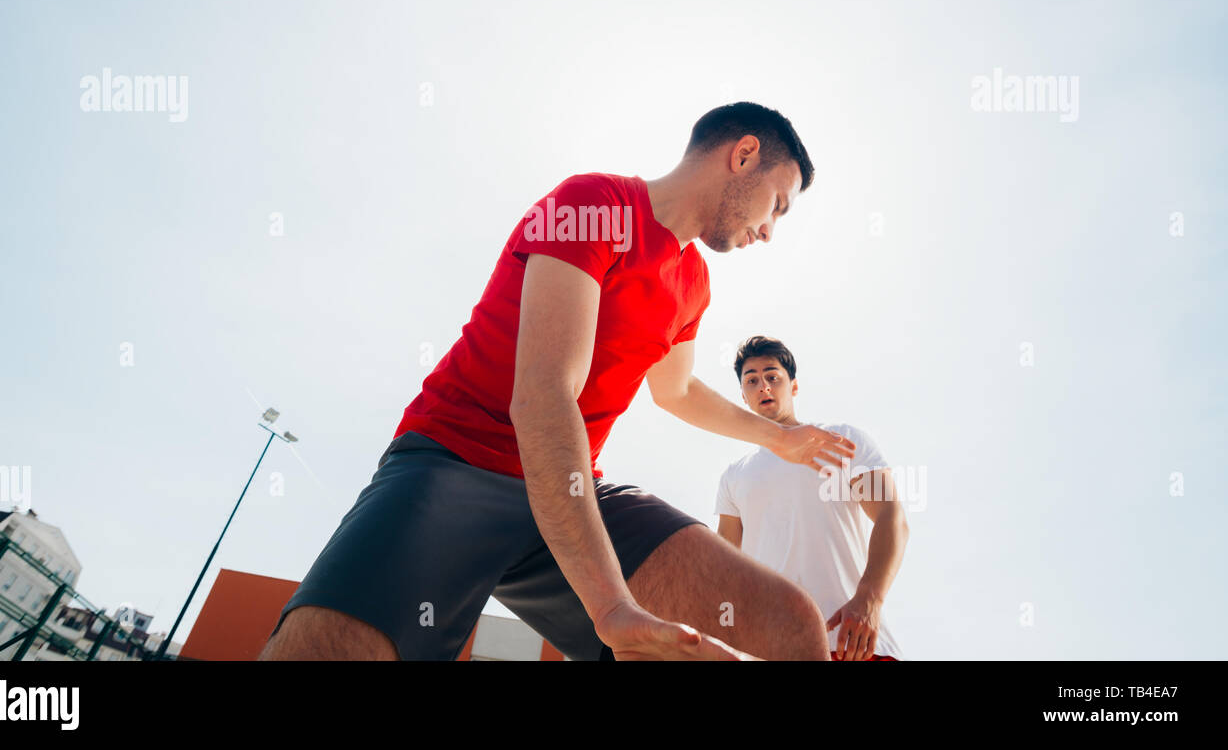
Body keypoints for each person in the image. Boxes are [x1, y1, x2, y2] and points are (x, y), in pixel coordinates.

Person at [258, 102, 855, 661]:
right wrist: (612, 604)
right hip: (456, 460)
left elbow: (674, 390)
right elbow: (544, 393)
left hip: (570, 493)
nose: (771, 230)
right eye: (778, 204)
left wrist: (776, 438)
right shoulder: (594, 203)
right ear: (745, 154)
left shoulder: (694, 281)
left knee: (791, 621)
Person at [715, 336, 908, 660]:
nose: (763, 386)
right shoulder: (734, 475)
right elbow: (723, 568)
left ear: (793, 386)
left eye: (772, 376)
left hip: (854, 644)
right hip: (771, 650)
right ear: (744, 397)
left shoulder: (843, 438)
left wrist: (869, 599)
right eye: (752, 380)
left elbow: (892, 517)